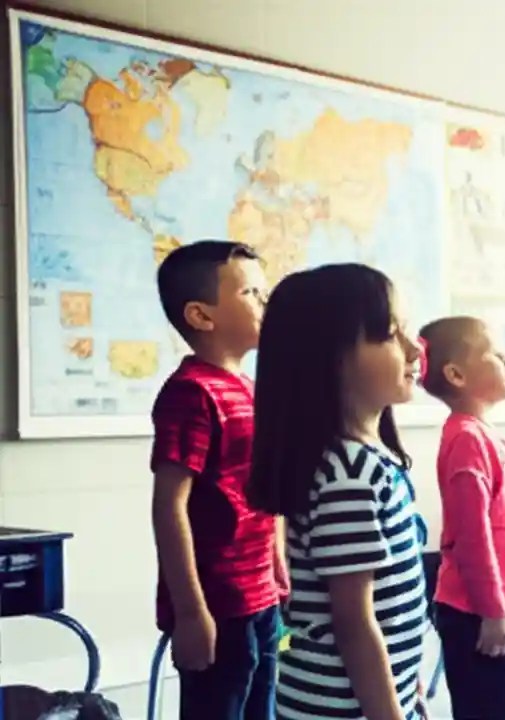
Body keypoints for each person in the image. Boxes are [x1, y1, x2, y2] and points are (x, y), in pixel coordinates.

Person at [247, 264, 428, 720]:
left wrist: (408, 685)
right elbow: (354, 624)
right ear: (330, 359)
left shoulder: (367, 459)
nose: (412, 349)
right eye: (389, 335)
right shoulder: (349, 474)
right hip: (337, 709)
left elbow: (389, 608)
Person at [150, 240, 284, 720]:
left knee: (262, 708)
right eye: (252, 293)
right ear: (202, 316)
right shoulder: (190, 393)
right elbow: (170, 505)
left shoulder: (248, 389)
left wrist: (277, 562)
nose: (266, 304)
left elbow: (260, 490)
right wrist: (190, 612)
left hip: (262, 597)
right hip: (219, 605)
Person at [419, 316, 505, 719]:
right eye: (494, 352)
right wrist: (493, 610)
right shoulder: (466, 440)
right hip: (479, 616)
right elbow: (473, 536)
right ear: (456, 374)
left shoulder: (485, 435)